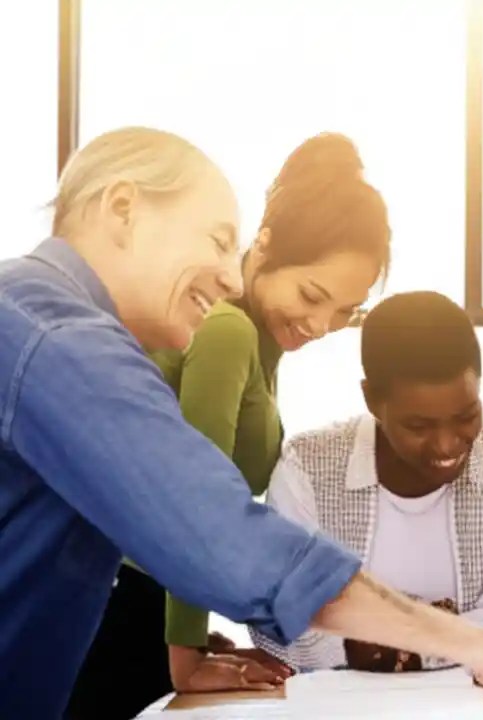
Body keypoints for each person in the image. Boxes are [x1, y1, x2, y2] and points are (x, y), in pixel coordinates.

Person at [0, 126, 483, 720]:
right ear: (123, 208)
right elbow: (221, 537)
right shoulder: (61, 339)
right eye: (216, 239)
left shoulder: (39, 320)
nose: (228, 272)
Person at [67, 132, 392, 717]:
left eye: (343, 311)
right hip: (108, 599)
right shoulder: (228, 331)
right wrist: (184, 656)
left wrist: (186, 634)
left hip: (138, 599)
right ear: (263, 246)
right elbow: (191, 504)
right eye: (312, 295)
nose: (320, 324)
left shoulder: (262, 342)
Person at [250, 291, 483, 671]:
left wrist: (402, 645)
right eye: (418, 426)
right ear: (372, 400)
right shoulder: (308, 466)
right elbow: (281, 619)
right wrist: (435, 636)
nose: (447, 443)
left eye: (466, 415)